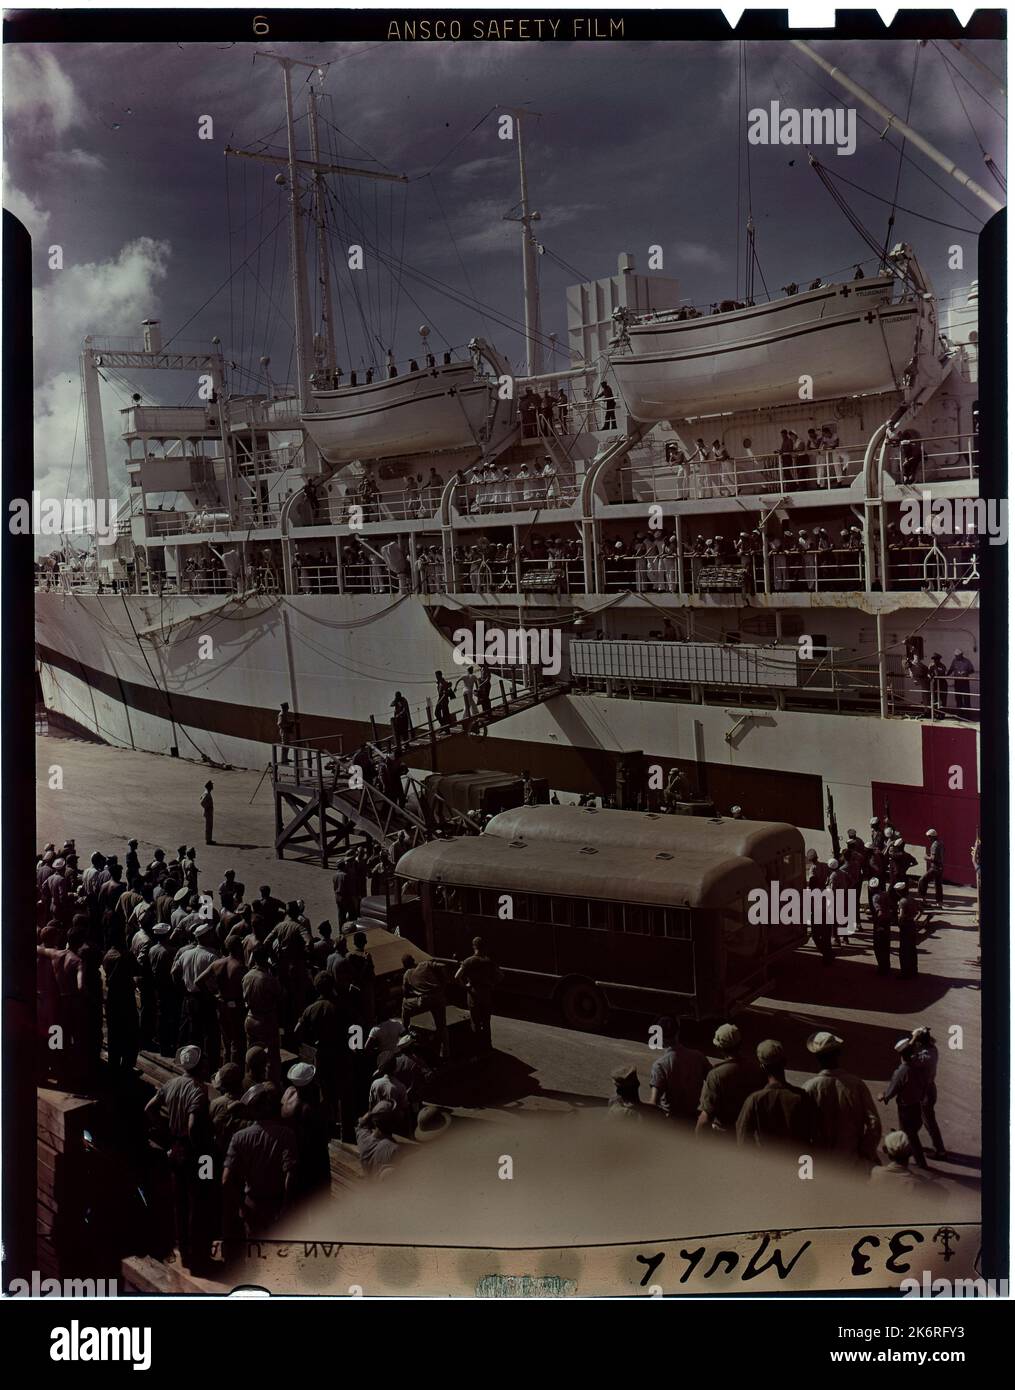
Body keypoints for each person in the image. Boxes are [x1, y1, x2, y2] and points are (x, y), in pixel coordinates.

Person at [145, 1044, 213, 1271]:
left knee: (179, 1204)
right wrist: (199, 1147)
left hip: (174, 1148)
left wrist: (165, 1132)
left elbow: (150, 1109)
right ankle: (197, 1258)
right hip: (192, 1151)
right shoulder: (199, 1090)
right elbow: (194, 1125)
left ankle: (184, 1253)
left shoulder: (170, 1084)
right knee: (197, 1203)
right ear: (199, 1065)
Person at [223, 1083, 298, 1238]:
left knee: (254, 1255)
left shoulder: (239, 1137)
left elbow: (226, 1180)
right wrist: (286, 1207)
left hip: (252, 1205)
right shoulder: (286, 1135)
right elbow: (290, 1175)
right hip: (277, 1205)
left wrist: (241, 1206)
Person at [803, 1030, 881, 1170]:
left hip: (822, 1162)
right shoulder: (856, 1084)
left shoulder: (809, 1088)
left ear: (817, 1058)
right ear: (838, 1054)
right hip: (851, 1161)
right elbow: (874, 1123)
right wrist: (864, 1152)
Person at [736, 1040, 817, 1148]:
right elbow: (815, 1136)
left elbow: (743, 1141)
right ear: (785, 1062)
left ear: (763, 1067)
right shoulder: (802, 1097)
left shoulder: (755, 1100)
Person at [696, 1023, 764, 1137]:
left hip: (724, 1136)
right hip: (748, 1134)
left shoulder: (716, 1075)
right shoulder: (755, 1069)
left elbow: (705, 1118)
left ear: (719, 1048)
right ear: (740, 1044)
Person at [281, 1062, 332, 1196]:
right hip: (310, 1157)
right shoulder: (309, 1109)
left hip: (290, 1151)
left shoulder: (288, 1093)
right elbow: (321, 1136)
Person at [880, 1037, 930, 1170]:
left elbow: (893, 1088)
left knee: (910, 1135)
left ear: (900, 1055)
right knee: (912, 1129)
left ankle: (919, 1162)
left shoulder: (901, 1071)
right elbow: (926, 1082)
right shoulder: (918, 1065)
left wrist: (884, 1097)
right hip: (917, 1104)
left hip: (906, 1108)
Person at [648, 1015, 710, 1123]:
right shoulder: (698, 1057)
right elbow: (713, 1082)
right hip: (692, 1119)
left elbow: (653, 1103)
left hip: (670, 1122)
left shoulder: (660, 1065)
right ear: (677, 1033)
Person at [454, 936, 502, 1054]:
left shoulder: (468, 961)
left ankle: (477, 1047)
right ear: (483, 947)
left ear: (473, 946)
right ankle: (488, 1045)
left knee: (475, 1021)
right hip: (486, 994)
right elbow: (500, 976)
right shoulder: (488, 961)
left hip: (473, 994)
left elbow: (456, 976)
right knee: (486, 1021)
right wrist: (491, 984)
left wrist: (465, 986)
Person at [401, 953, 449, 1058]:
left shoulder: (407, 973)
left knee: (405, 1003)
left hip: (425, 1000)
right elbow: (443, 966)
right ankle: (445, 1051)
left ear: (404, 965)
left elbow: (405, 993)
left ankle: (404, 1031)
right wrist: (443, 983)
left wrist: (414, 991)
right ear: (414, 961)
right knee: (441, 1025)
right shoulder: (425, 964)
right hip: (438, 997)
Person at [869, 1130, 946, 1195]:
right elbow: (944, 1194)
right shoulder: (917, 1183)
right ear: (911, 1153)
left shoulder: (876, 1172)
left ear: (886, 1151)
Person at [910, 1026, 947, 1159]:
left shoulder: (923, 1056)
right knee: (918, 1118)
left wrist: (913, 1039)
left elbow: (906, 1056)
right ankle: (908, 1140)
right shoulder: (932, 1050)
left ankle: (940, 1150)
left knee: (928, 1121)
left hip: (924, 1091)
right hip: (929, 1089)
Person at [356, 1101, 400, 1179]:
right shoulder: (394, 1149)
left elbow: (361, 1125)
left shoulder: (363, 1138)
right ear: (393, 1121)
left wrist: (372, 1113)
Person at [919, 829, 944, 906]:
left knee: (922, 880)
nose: (928, 838)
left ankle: (923, 899)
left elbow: (933, 858)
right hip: (940, 867)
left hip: (935, 867)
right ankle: (939, 902)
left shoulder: (934, 845)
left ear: (931, 837)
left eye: (928, 837)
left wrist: (926, 857)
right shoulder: (940, 843)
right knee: (938, 885)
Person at [946, 649, 975, 714]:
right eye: (955, 656)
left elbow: (972, 670)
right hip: (957, 682)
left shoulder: (967, 661)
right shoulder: (954, 661)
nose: (956, 657)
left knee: (966, 697)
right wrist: (946, 675)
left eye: (957, 656)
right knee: (958, 697)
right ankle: (959, 712)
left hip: (965, 682)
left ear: (961, 655)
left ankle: (967, 713)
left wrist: (965, 672)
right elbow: (951, 669)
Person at [200, 780, 214, 845]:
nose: (212, 786)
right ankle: (208, 840)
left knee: (210, 826)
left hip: (209, 812)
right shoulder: (207, 793)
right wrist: (207, 807)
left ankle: (209, 839)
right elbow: (202, 802)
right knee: (208, 826)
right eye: (211, 785)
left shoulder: (207, 792)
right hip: (208, 812)